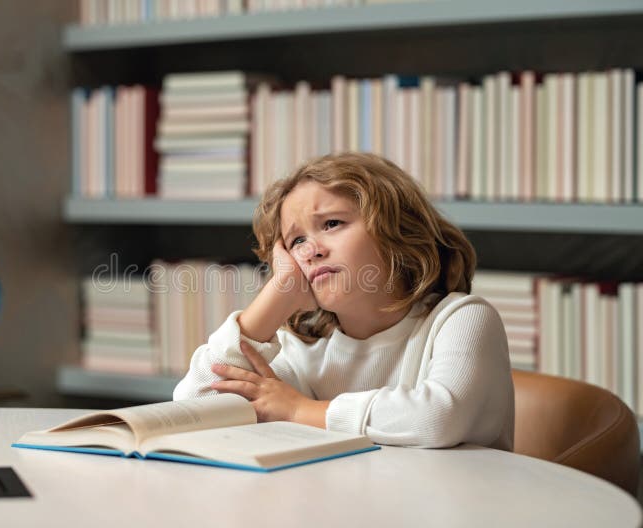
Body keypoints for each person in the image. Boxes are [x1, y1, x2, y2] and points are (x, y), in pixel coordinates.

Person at [173, 152, 514, 450]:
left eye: (332, 223)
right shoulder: (304, 352)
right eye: (296, 242)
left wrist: (299, 410)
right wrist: (279, 292)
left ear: (399, 229)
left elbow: (439, 417)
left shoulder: (461, 318)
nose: (311, 250)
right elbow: (194, 406)